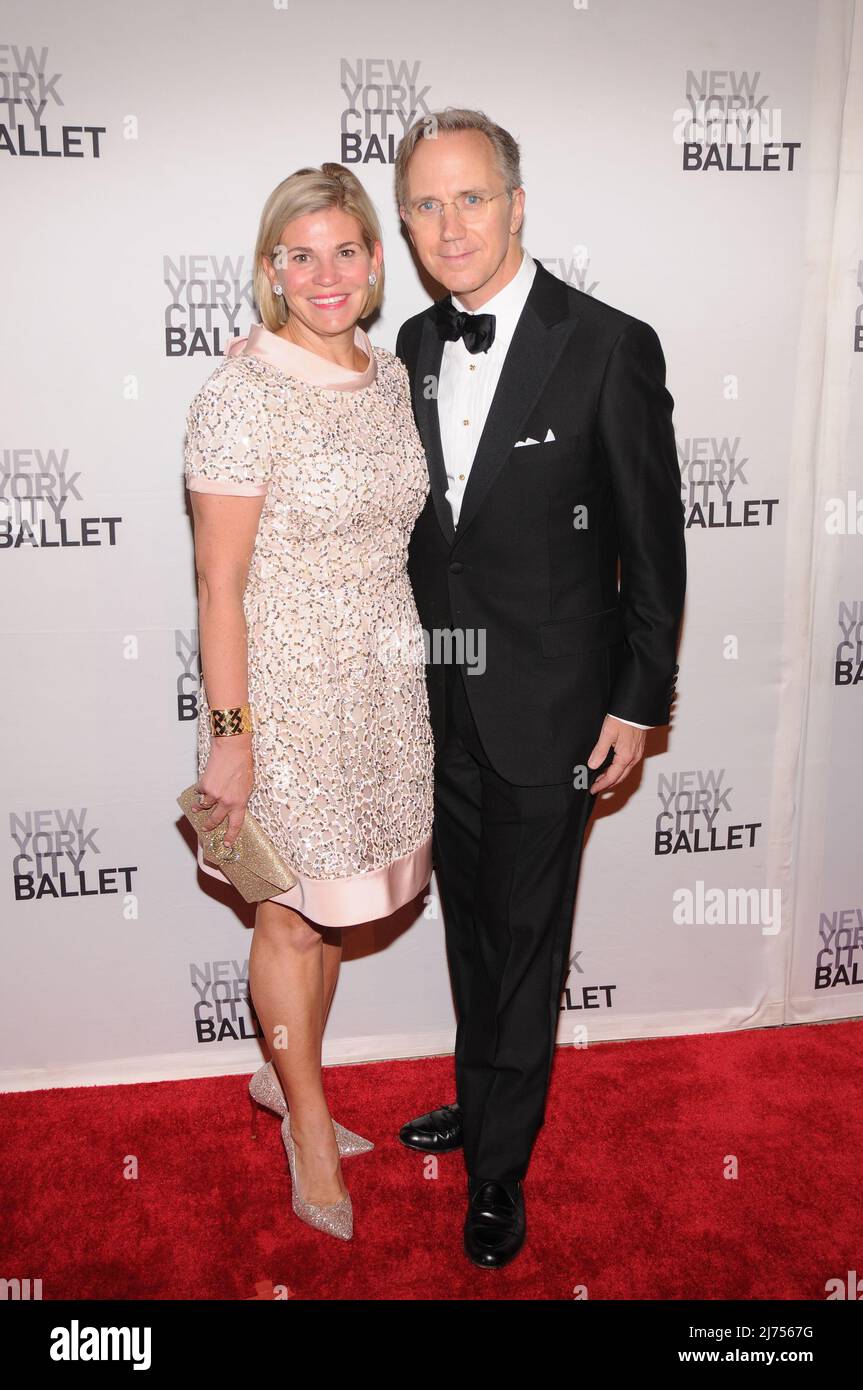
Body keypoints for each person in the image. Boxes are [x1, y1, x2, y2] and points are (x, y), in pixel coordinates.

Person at [393, 108, 686, 1268]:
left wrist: (636, 699)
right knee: (472, 926)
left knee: (523, 937)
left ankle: (497, 1171)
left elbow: (651, 545)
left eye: (470, 197)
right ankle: (486, 1095)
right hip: (435, 697)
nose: (449, 223)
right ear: (406, 222)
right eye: (425, 203)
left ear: (517, 205)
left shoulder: (608, 344)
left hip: (554, 701)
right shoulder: (408, 348)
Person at [183, 163, 435, 1243]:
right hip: (283, 696)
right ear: (270, 272)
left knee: (340, 908)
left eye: (344, 250)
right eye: (300, 254)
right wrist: (230, 738)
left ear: (375, 263)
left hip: (381, 688)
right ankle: (311, 1129)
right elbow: (217, 586)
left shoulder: (387, 376)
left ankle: (282, 1081)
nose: (324, 273)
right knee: (287, 914)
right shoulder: (240, 395)